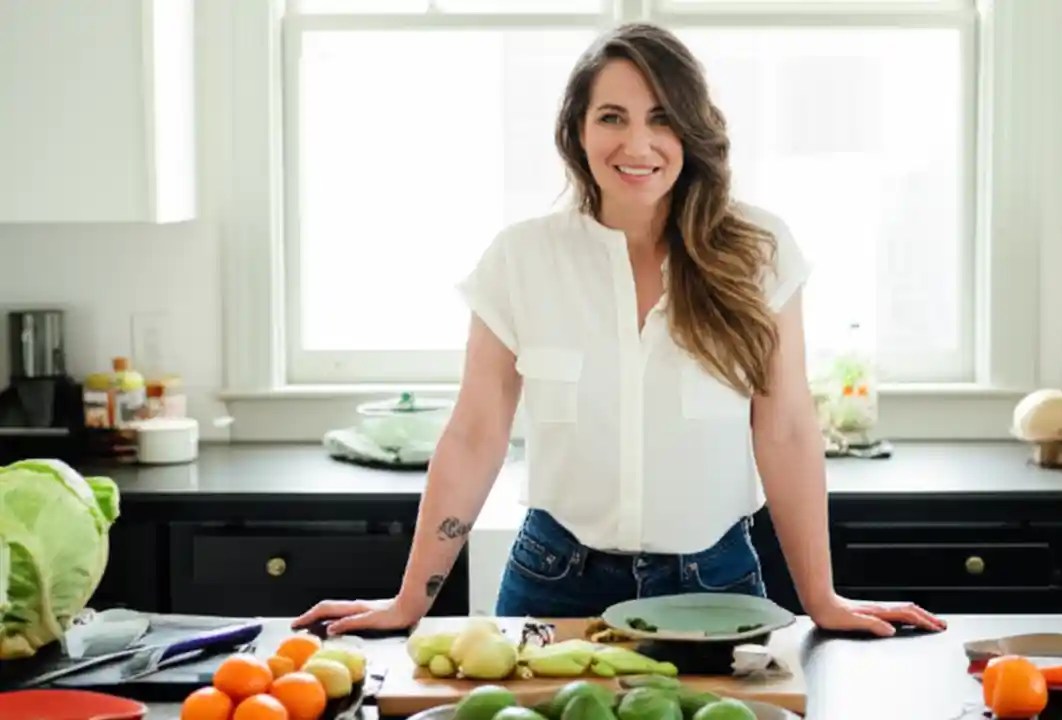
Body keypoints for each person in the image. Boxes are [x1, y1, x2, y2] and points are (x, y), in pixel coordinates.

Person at [293, 22, 945, 638]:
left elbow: (787, 428)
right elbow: (474, 433)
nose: (637, 145)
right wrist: (409, 602)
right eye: (612, 117)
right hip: (552, 585)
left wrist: (823, 603)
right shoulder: (521, 259)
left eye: (662, 119)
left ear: (692, 131)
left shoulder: (759, 250)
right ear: (576, 131)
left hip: (715, 587)